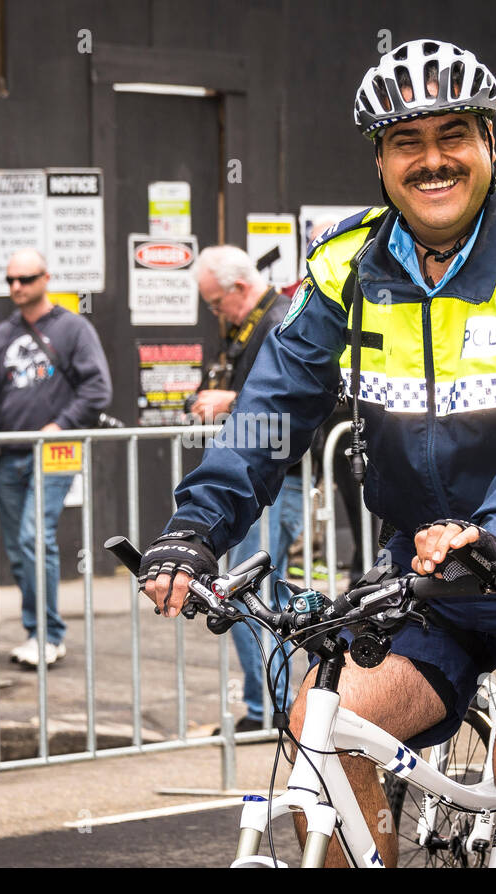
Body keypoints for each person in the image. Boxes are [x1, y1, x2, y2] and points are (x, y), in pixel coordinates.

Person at [139, 39, 496, 867]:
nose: (433, 160)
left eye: (453, 134)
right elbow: (275, 406)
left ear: (490, 145)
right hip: (422, 569)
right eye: (405, 142)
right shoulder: (349, 263)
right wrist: (196, 524)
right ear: (380, 160)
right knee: (324, 728)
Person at [0, 249, 111, 668]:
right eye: (10, 280)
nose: (17, 287)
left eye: (25, 279)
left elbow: (97, 389)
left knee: (34, 536)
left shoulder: (73, 328)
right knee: (17, 546)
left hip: (56, 450)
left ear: (46, 278)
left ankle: (49, 635)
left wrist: (60, 424)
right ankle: (36, 632)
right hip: (8, 452)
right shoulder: (2, 334)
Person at [191, 245, 301, 733]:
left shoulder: (278, 316)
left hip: (277, 482)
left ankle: (275, 708)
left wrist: (230, 399)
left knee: (246, 595)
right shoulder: (256, 322)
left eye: (216, 304)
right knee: (253, 596)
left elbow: (302, 393)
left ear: (239, 288)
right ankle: (269, 707)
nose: (216, 315)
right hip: (264, 481)